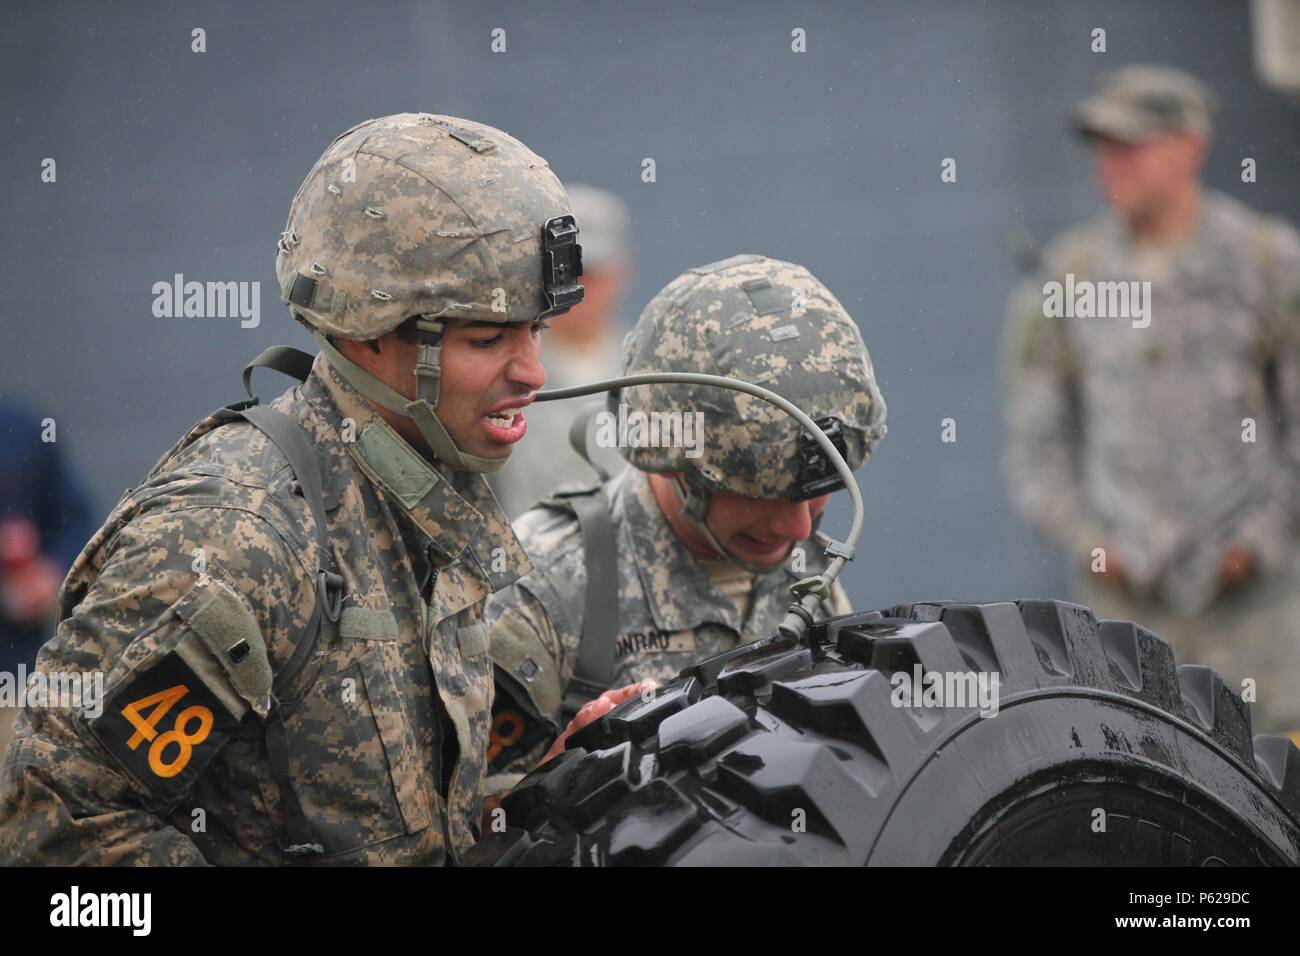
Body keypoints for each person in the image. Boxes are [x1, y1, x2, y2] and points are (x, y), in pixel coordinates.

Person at [0, 113, 625, 865]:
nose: (532, 373)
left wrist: (556, 773)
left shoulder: (427, 495)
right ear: (368, 334)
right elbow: (50, 829)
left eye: (537, 333)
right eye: (487, 340)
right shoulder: (237, 537)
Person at [485, 254, 888, 782]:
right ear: (672, 461)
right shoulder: (544, 591)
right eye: (760, 498)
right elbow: (461, 834)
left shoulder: (804, 573)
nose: (798, 530)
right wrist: (562, 776)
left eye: (816, 495)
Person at [1002, 65, 1300, 735]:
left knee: (1282, 793)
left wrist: (1257, 542)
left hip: (1258, 624)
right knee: (1145, 791)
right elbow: (1035, 448)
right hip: (1129, 628)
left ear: (1189, 146)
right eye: (1102, 148)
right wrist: (1091, 543)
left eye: (1132, 146)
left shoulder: (1269, 265)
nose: (1111, 165)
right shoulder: (1067, 279)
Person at [488, 184, 632, 518]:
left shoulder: (654, 373)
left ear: (621, 271)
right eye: (568, 272)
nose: (580, 287)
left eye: (592, 273)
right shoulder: (503, 375)